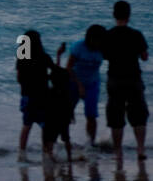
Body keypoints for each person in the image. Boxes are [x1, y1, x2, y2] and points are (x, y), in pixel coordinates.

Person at [104, 0, 149, 163]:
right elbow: (144, 57)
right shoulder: (136, 34)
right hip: (134, 77)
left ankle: (118, 151)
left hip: (115, 78)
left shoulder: (107, 35)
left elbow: (104, 56)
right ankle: (140, 148)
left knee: (116, 116)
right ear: (129, 15)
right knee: (139, 115)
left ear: (114, 15)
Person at [16, 30, 61, 163]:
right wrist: (58, 55)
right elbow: (56, 73)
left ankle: (21, 154)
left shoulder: (22, 57)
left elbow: (19, 78)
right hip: (43, 95)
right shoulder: (44, 57)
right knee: (45, 126)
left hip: (27, 95)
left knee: (26, 125)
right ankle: (47, 153)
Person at [65, 24, 106, 148]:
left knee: (91, 115)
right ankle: (65, 141)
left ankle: (91, 143)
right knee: (66, 113)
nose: (98, 43)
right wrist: (79, 86)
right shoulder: (78, 47)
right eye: (96, 40)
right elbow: (68, 68)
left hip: (92, 83)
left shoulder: (103, 48)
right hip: (74, 81)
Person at [42, 45, 75, 163]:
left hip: (51, 119)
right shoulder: (66, 94)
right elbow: (69, 107)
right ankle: (70, 158)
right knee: (66, 138)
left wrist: (58, 55)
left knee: (50, 139)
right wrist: (72, 116)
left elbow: (55, 73)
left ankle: (49, 157)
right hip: (63, 119)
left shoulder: (49, 92)